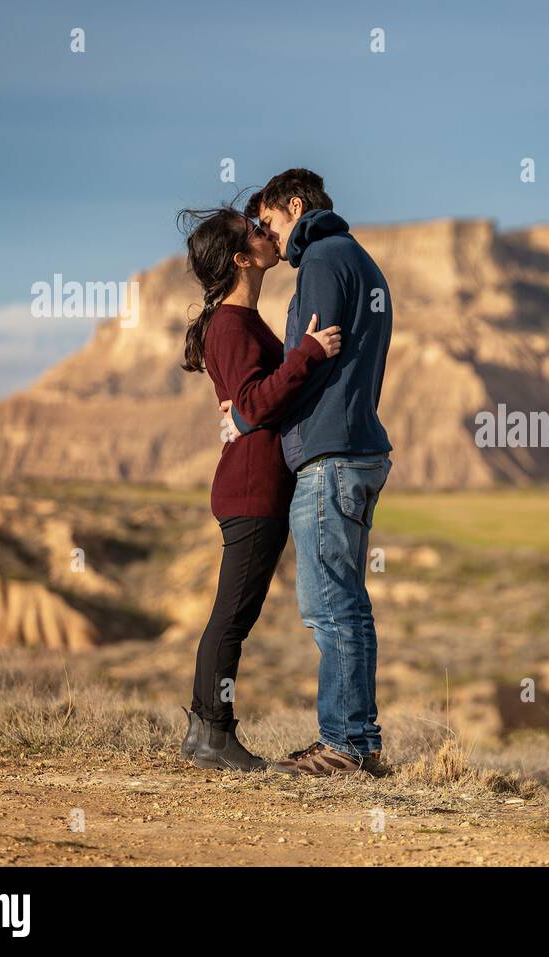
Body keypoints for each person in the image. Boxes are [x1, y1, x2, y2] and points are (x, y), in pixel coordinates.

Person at [220, 169, 393, 776]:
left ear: (295, 206)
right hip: (357, 450)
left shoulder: (321, 257)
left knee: (330, 608)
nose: (268, 234)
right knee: (348, 602)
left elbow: (309, 360)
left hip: (331, 454)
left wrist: (245, 415)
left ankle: (343, 745)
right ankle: (358, 742)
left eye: (269, 221)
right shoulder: (356, 257)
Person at [176, 205, 342, 771]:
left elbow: (246, 404)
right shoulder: (230, 323)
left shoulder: (240, 321)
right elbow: (251, 403)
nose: (267, 233)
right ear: (241, 259)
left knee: (231, 615)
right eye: (254, 232)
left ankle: (204, 734)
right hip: (251, 489)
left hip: (255, 484)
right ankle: (214, 734)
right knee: (232, 618)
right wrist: (308, 355)